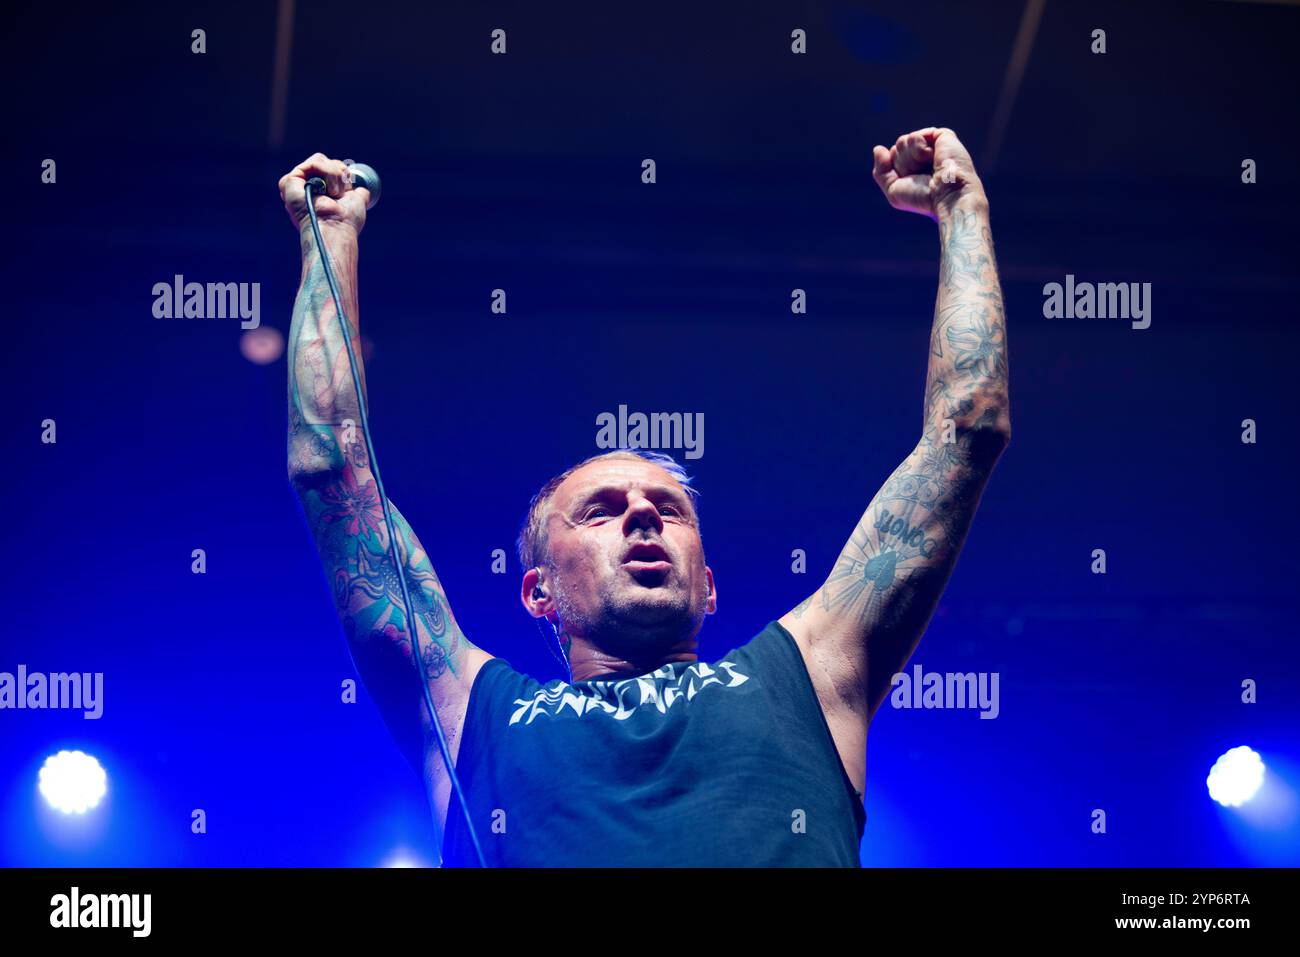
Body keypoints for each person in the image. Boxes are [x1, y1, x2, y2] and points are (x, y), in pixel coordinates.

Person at [280, 126, 1010, 866]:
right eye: (601, 509)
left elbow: (967, 429)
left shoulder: (810, 677)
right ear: (537, 591)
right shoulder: (475, 716)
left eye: (669, 509)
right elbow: (332, 468)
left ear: (710, 585)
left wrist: (962, 207)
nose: (641, 514)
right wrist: (330, 240)